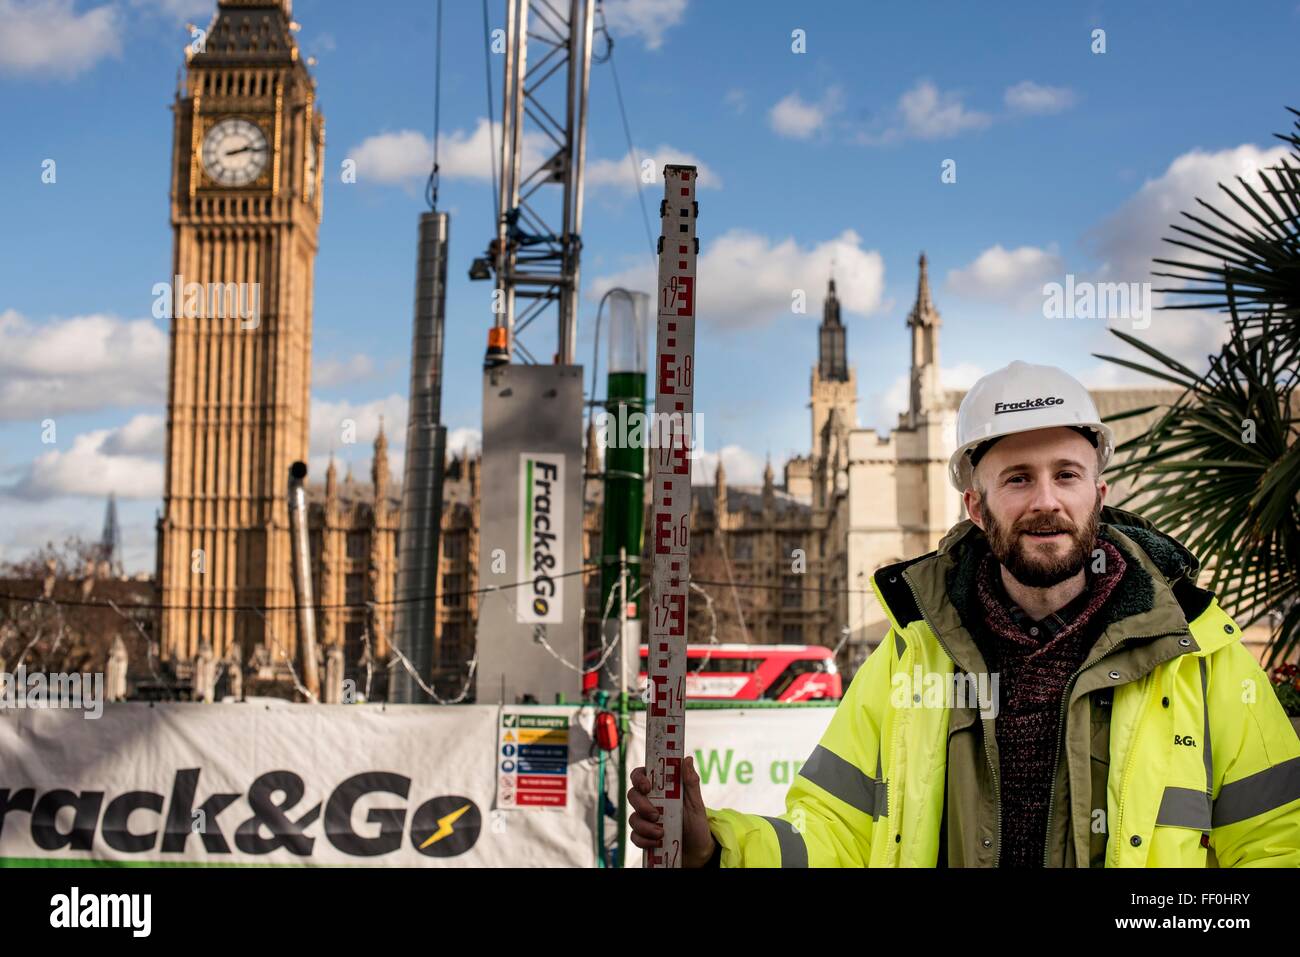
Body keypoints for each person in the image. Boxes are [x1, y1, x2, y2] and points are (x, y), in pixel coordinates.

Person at [628, 360, 1300, 867]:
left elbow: (1277, 845)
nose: (1046, 502)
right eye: (1016, 478)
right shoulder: (909, 660)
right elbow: (833, 834)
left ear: (1098, 492)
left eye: (1066, 475)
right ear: (975, 508)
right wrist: (715, 847)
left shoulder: (1200, 659)